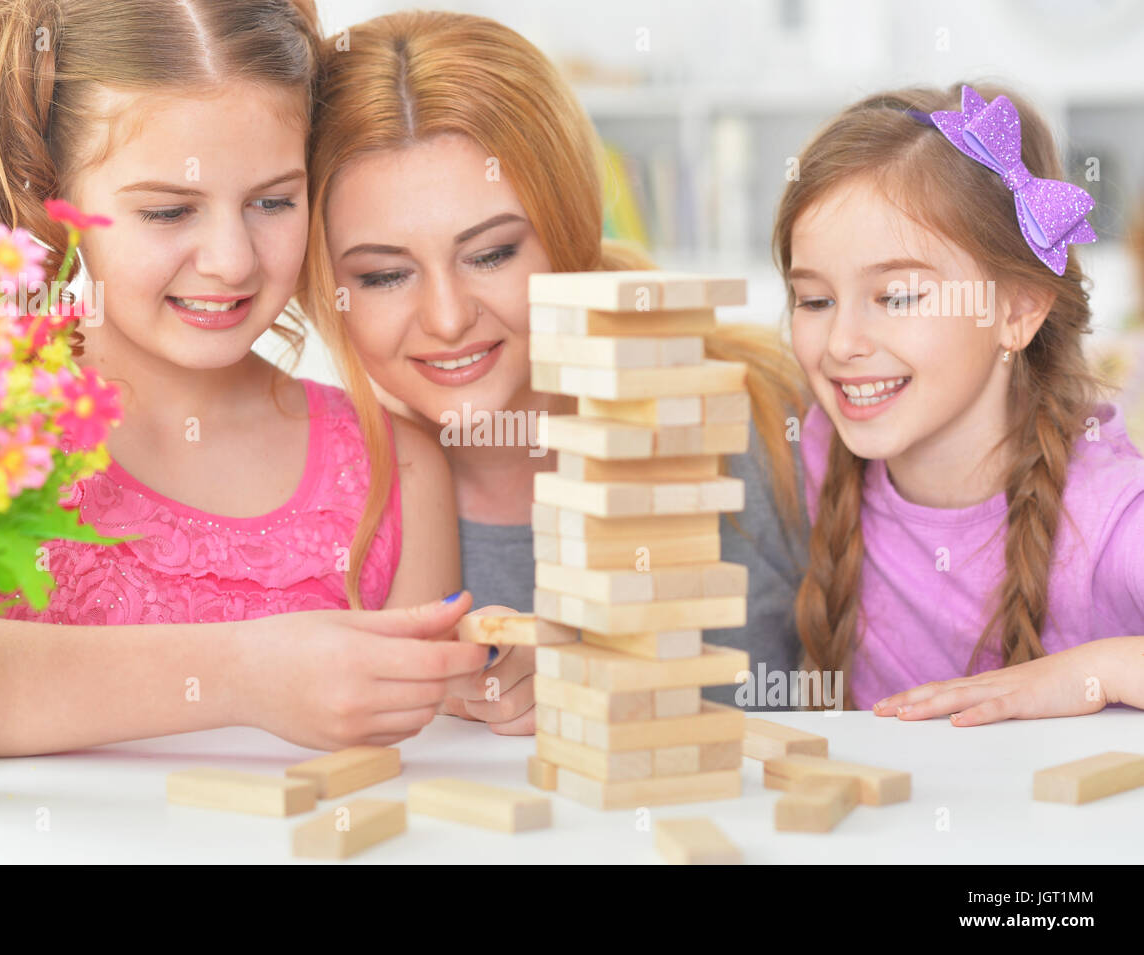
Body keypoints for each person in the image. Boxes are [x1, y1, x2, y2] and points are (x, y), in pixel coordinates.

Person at [0, 0, 489, 756]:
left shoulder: (394, 470)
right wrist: (242, 674)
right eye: (169, 210)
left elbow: (428, 755)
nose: (233, 259)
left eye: (273, 201)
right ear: (53, 198)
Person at [299, 11, 811, 725]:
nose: (447, 318)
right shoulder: (320, 507)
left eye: (492, 254)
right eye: (385, 275)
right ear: (325, 287)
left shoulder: (766, 416)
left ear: (569, 229)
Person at [778, 83, 1144, 722]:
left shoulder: (1113, 518)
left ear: (1019, 308)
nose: (842, 343)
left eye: (896, 297)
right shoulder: (813, 449)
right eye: (814, 300)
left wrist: (1098, 671)